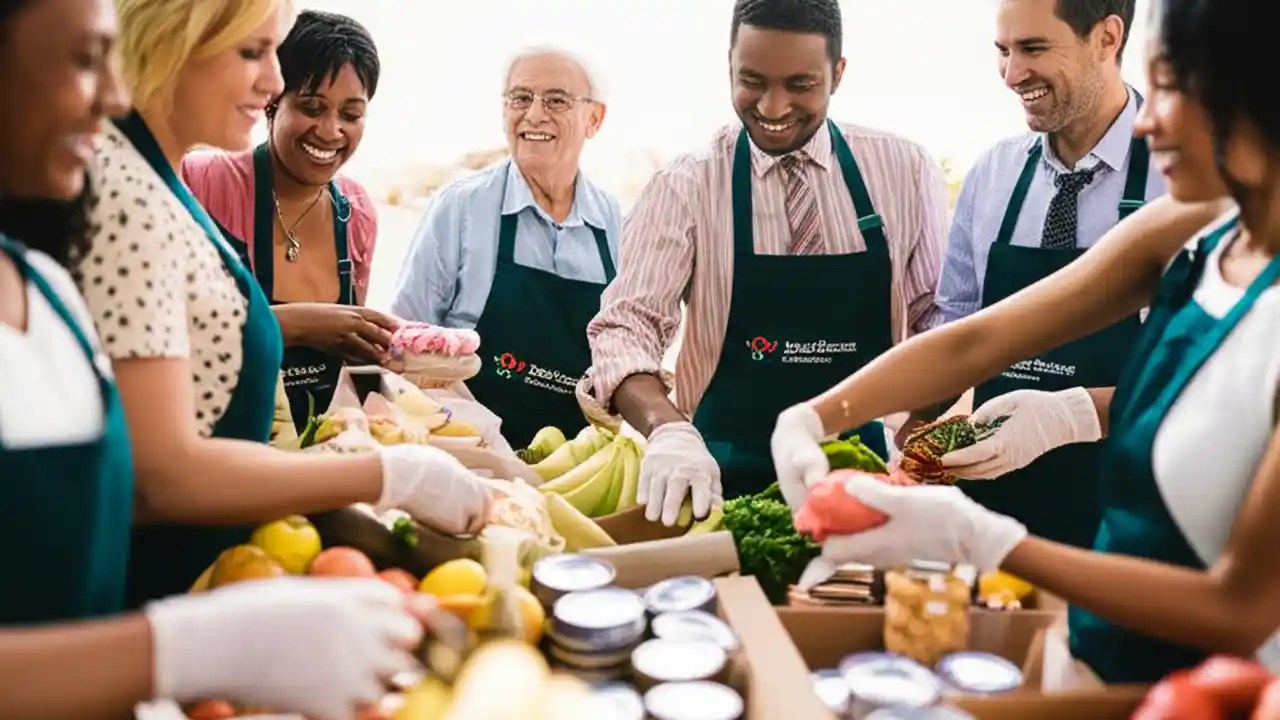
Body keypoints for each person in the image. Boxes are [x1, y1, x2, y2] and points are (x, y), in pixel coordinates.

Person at [773, 0, 1280, 684]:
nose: (1150, 118)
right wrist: (814, 415)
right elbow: (974, 340)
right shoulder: (1191, 229)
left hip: (1214, 691)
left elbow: (1242, 611)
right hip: (1093, 660)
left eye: (1175, 87)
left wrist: (984, 537)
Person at [0, 1, 423, 718]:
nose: (112, 92)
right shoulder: (128, 196)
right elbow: (161, 475)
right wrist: (189, 648)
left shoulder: (37, 272)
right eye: (84, 60)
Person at [74, 0, 491, 608]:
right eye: (252, 52)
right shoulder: (137, 195)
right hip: (164, 582)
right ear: (171, 44)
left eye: (351, 111)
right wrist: (389, 475)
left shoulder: (157, 183)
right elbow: (160, 476)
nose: (272, 83)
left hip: (227, 558)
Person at [580, 0, 949, 526]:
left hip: (861, 476)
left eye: (799, 85)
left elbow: (940, 321)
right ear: (729, 65)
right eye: (752, 81)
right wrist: (668, 430)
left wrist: (917, 433)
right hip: (717, 476)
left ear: (837, 74)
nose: (773, 107)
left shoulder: (903, 170)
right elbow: (625, 329)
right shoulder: (687, 185)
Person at [894, 0, 1168, 550]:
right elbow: (958, 337)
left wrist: (1065, 415)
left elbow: (1194, 380)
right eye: (1003, 50)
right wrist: (898, 439)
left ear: (1107, 38)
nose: (1012, 74)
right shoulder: (993, 174)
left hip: (1125, 516)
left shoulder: (1178, 178)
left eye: (1034, 48)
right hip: (994, 517)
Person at [389, 46, 621, 450]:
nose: (534, 114)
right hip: (469, 455)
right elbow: (402, 346)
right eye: (520, 98)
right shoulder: (461, 207)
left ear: (594, 119)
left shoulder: (615, 222)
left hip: (576, 462)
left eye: (557, 100)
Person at [184, 9, 394, 432]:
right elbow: (170, 336)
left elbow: (356, 362)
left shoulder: (357, 212)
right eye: (312, 106)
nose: (331, 131)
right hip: (215, 453)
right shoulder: (203, 182)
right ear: (271, 101)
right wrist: (296, 326)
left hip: (312, 455)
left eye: (351, 115)